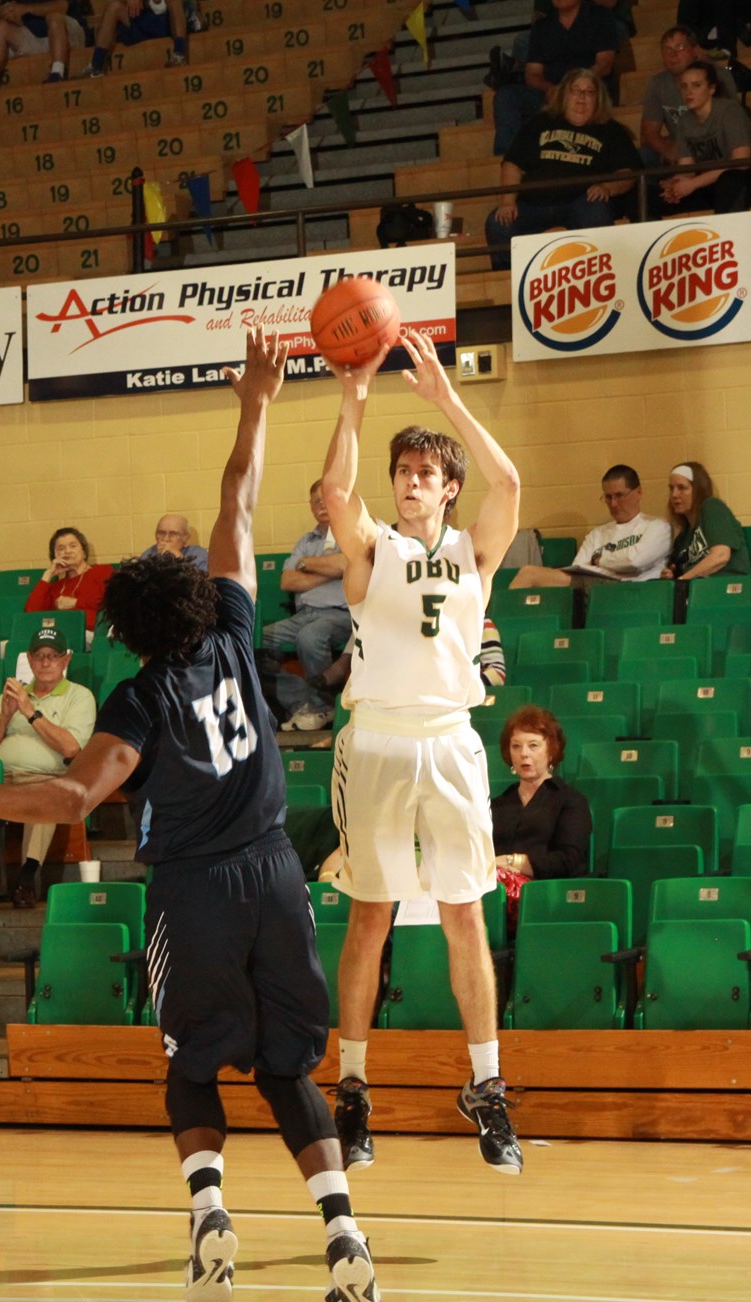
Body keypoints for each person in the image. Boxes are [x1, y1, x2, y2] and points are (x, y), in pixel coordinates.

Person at [0, 331, 380, 1302]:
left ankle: (210, 1217)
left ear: (128, 631)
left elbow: (71, 798)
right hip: (276, 875)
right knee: (285, 1067)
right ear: (193, 597)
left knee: (191, 1064)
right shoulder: (233, 630)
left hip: (195, 891)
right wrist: (256, 403)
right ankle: (343, 1235)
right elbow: (237, 500)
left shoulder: (139, 697)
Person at [319, 326, 524, 1176]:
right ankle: (352, 1086)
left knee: (464, 912)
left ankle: (487, 1086)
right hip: (377, 742)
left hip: (450, 741)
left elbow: (509, 482)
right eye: (402, 471)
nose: (410, 481)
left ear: (447, 488)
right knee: (370, 914)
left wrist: (448, 400)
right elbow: (335, 491)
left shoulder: (477, 549)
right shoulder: (374, 548)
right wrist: (354, 398)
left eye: (425, 473)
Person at [0, 626, 97, 906]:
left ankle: (27, 875)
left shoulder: (79, 696)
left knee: (46, 797)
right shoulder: (11, 695)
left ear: (66, 660)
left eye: (53, 656)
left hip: (45, 779)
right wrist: (5, 717)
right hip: (1, 779)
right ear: (29, 660)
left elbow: (71, 748)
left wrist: (30, 712)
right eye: (39, 656)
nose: (45, 662)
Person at [485, 71, 640, 268]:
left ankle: (599, 274)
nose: (582, 97)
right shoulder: (539, 123)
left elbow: (628, 173)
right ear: (564, 94)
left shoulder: (612, 130)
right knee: (497, 223)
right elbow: (512, 164)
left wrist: (607, 188)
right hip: (534, 202)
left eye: (589, 92)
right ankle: (508, 281)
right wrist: (508, 201)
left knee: (597, 212)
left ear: (598, 98)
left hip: (582, 201)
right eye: (576, 91)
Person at [261, 482, 350, 733]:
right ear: (311, 507)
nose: (321, 505)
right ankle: (304, 700)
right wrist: (329, 572)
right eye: (316, 501)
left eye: (326, 500)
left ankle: (322, 707)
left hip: (340, 615)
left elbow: (346, 564)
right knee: (256, 641)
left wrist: (306, 564)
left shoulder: (350, 533)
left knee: (310, 637)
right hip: (303, 615)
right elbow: (287, 581)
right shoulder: (306, 540)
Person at [491, 0, 626, 154]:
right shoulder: (542, 27)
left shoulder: (600, 17)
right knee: (506, 96)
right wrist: (549, 88)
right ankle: (508, 155)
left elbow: (604, 65)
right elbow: (533, 74)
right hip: (553, 94)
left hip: (588, 92)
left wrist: (573, 87)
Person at [489, 707, 591, 900]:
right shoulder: (497, 805)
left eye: (533, 745)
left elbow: (568, 860)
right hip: (498, 893)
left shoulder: (570, 800)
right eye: (516, 746)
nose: (524, 754)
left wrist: (513, 862)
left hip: (550, 896)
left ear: (551, 751)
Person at [511, 465, 672, 587]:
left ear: (638, 492)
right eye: (608, 497)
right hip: (593, 588)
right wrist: (618, 566)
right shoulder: (597, 534)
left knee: (530, 574)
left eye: (619, 495)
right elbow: (579, 568)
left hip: (633, 590)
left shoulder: (657, 527)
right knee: (528, 575)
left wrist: (600, 561)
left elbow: (635, 561)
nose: (613, 504)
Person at [656, 63, 751, 214]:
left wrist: (693, 184)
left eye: (696, 85)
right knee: (655, 195)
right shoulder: (684, 121)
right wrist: (674, 185)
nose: (688, 92)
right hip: (709, 185)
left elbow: (741, 163)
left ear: (712, 88)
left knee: (729, 180)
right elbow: (687, 168)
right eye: (684, 86)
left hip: (749, 182)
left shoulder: (730, 111)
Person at [639, 26, 740, 166]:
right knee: (644, 155)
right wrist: (669, 150)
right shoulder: (658, 83)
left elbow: (731, 122)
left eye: (680, 47)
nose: (673, 55)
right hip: (681, 146)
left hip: (715, 144)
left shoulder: (716, 75)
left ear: (695, 50)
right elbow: (648, 133)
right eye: (667, 49)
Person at [0, 0, 87, 90]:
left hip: (66, 31)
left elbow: (61, 6)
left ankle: (58, 73)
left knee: (54, 17)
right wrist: (6, 11)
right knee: (0, 26)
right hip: (34, 34)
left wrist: (25, 9)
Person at [665, 462, 750, 580]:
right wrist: (672, 575)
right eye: (671, 488)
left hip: (728, 585)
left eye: (682, 488)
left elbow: (721, 556)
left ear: (698, 489)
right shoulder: (683, 537)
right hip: (698, 588)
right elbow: (679, 571)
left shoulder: (712, 507)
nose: (674, 495)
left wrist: (683, 580)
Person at [25, 527, 114, 633]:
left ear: (84, 552)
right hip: (59, 635)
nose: (67, 551)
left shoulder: (103, 572)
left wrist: (76, 603)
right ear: (54, 556)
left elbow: (112, 606)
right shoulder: (55, 587)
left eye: (73, 546)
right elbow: (31, 615)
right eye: (61, 548)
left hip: (93, 633)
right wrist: (48, 575)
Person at [86, 0, 192, 76]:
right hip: (142, 21)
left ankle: (179, 55)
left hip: (166, 23)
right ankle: (96, 66)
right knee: (114, 7)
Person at [140, 514, 210, 574]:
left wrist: (180, 560)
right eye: (161, 533)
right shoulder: (148, 555)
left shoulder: (199, 555)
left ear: (187, 540)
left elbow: (202, 582)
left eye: (173, 534)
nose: (166, 539)